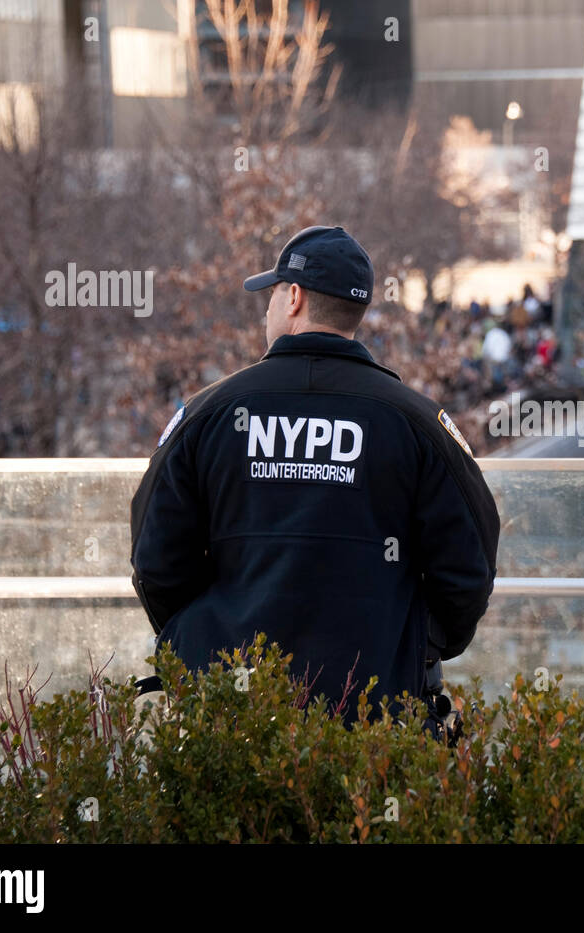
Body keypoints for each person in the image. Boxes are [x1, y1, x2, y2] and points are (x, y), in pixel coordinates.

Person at [129, 225, 500, 726]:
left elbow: (155, 561)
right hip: (375, 723)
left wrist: (204, 642)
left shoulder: (208, 416)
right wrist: (408, 644)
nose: (268, 309)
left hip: (233, 716)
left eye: (273, 295)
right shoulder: (416, 422)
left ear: (295, 298)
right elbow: (468, 568)